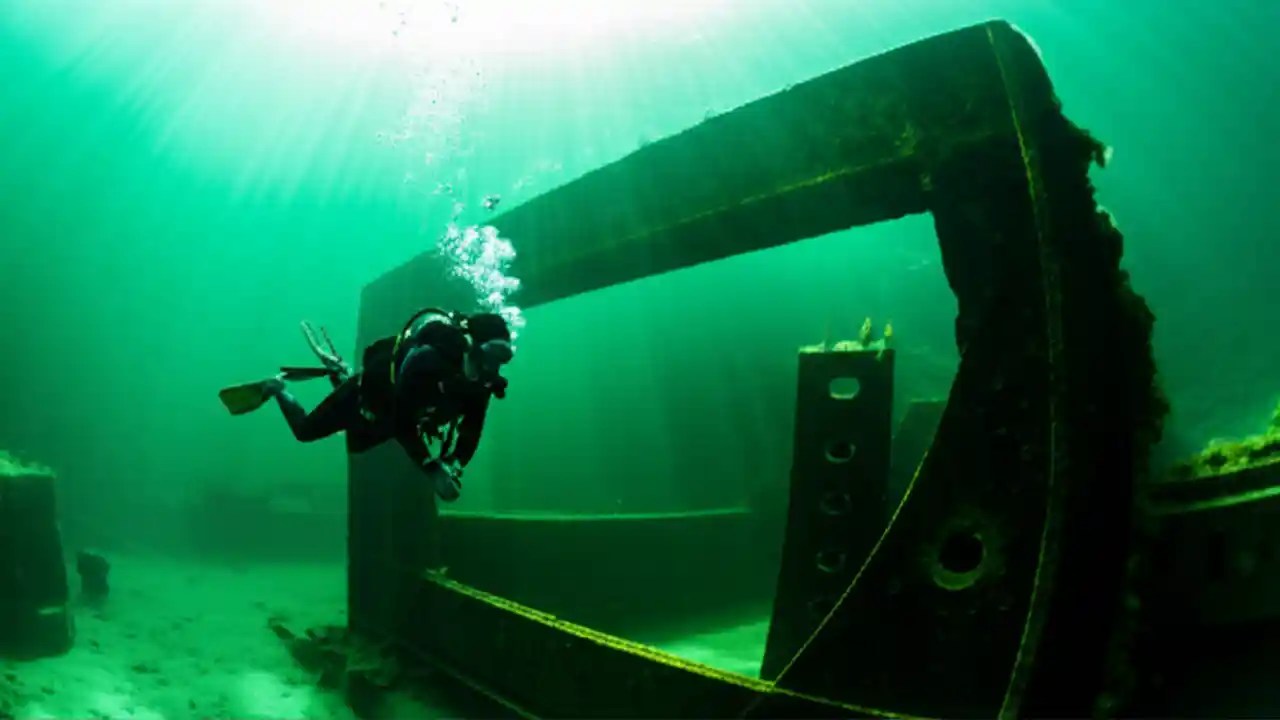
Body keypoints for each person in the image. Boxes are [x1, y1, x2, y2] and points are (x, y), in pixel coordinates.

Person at [219, 308, 514, 502]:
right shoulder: (427, 360)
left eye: (503, 358)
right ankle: (277, 387)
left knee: (357, 445)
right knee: (305, 431)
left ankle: (339, 373)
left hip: (386, 417)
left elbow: (472, 428)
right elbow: (401, 419)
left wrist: (455, 464)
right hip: (365, 399)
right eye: (492, 353)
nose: (493, 366)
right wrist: (431, 467)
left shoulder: (482, 382)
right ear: (470, 343)